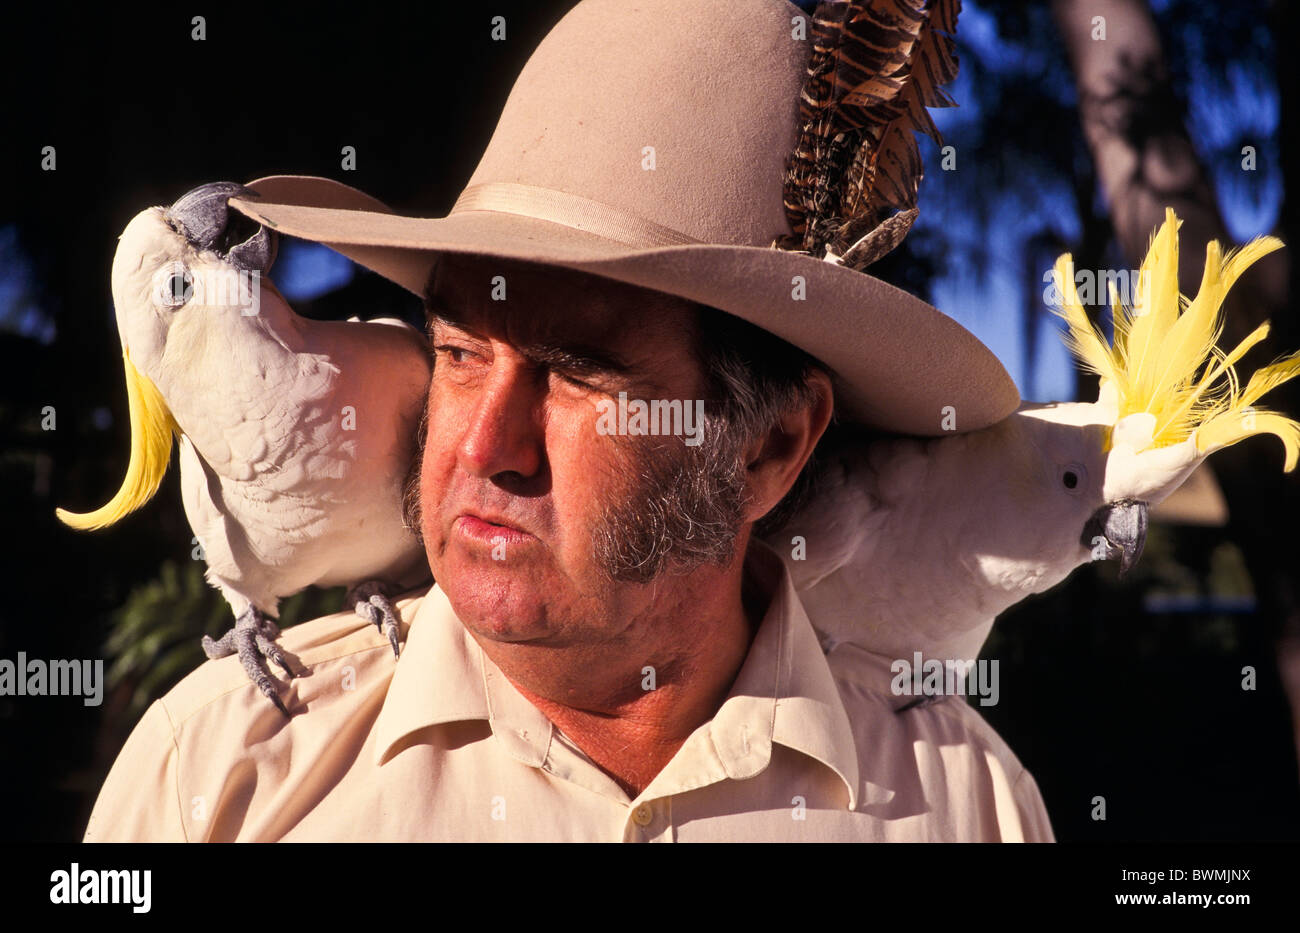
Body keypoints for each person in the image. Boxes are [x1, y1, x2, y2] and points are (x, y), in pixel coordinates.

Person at [84, 0, 1053, 841]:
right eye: (459, 356)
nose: (481, 448)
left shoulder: (966, 803)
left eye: (577, 377)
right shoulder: (215, 772)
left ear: (768, 448)